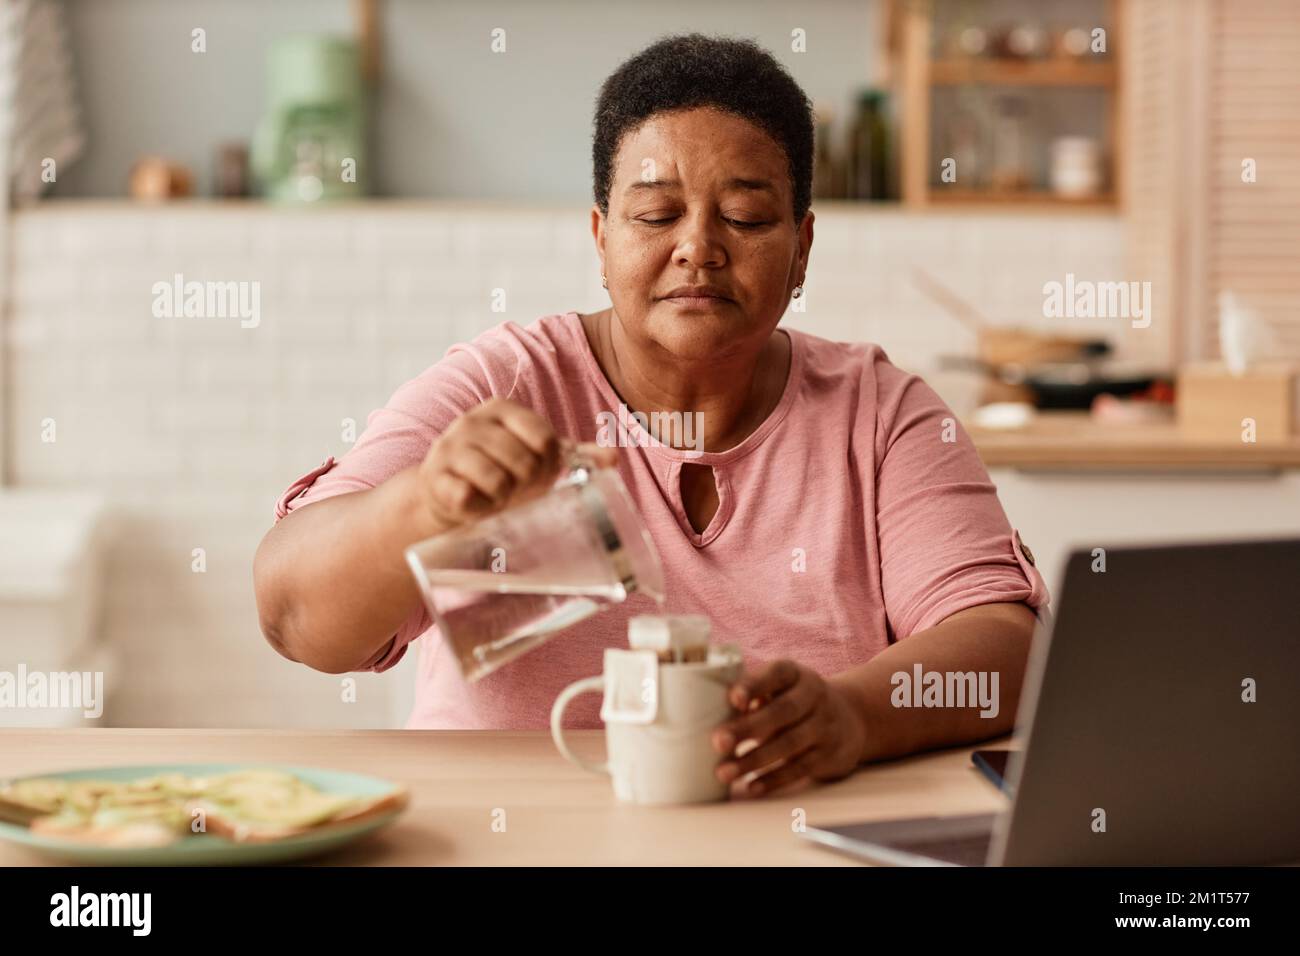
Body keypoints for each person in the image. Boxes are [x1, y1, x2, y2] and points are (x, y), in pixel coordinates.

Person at [254, 34, 1049, 798]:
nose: (698, 248)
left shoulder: (878, 413)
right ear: (601, 239)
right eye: (656, 215)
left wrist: (854, 716)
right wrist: (422, 505)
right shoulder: (504, 384)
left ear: (802, 248)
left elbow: (1003, 647)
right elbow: (296, 617)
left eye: (744, 218)